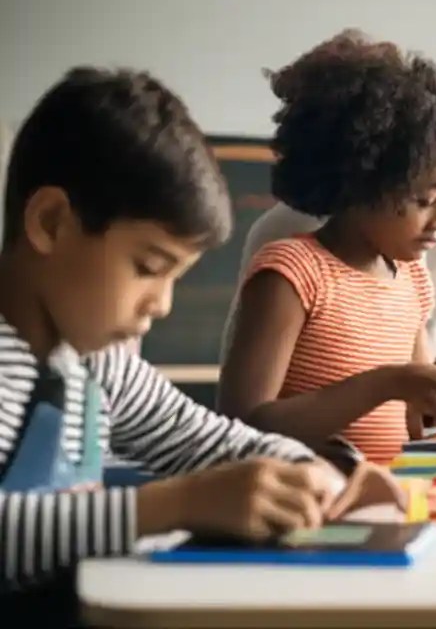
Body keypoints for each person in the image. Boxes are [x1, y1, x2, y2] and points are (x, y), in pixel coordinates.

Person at [0, 67, 394, 616]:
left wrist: (311, 470)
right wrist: (175, 504)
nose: (161, 305)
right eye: (147, 267)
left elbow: (205, 440)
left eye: (174, 279)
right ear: (50, 223)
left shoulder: (98, 365)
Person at [219, 31, 436, 464]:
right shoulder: (292, 274)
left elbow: (418, 415)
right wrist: (384, 384)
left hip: (390, 492)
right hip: (308, 496)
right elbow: (243, 423)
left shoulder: (411, 280)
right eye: (424, 201)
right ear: (363, 180)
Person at [221, 201, 436, 362]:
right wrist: (387, 386)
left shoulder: (411, 273)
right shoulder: (293, 267)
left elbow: (419, 389)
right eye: (425, 200)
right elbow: (250, 412)